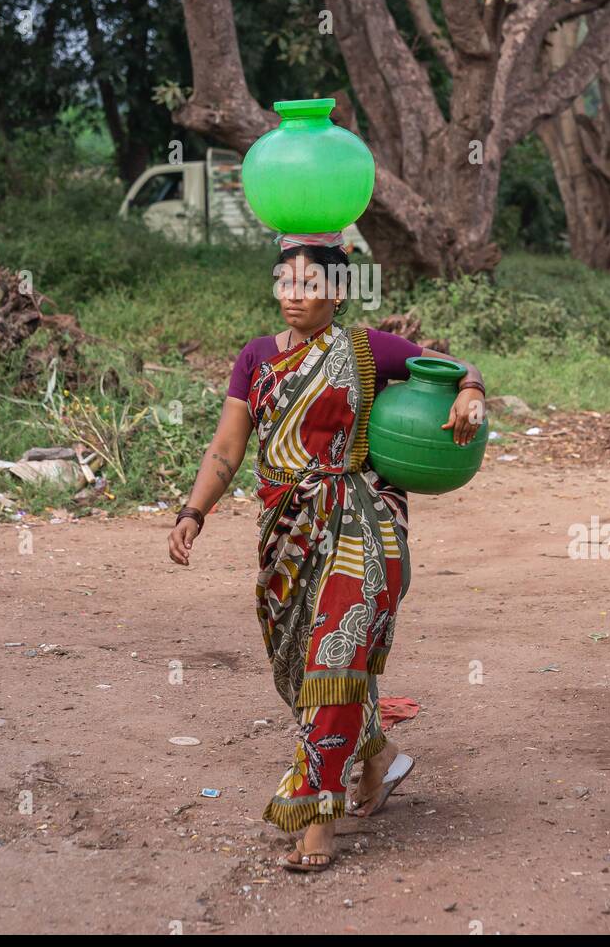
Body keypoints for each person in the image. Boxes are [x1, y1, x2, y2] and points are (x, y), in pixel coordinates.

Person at [166, 232, 486, 872]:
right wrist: (192, 512)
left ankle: (315, 817)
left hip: (365, 526)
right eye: (285, 283)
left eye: (309, 285)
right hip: (288, 537)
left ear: (338, 293)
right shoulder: (256, 358)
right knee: (298, 673)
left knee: (332, 661)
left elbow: (455, 368)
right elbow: (227, 449)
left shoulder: (368, 349)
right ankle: (378, 760)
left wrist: (472, 394)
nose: (293, 296)